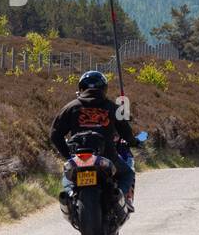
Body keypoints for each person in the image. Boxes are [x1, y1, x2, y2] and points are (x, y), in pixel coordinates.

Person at [50, 70, 139, 212]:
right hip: (107, 156)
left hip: (78, 157)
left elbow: (55, 134)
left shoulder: (71, 107)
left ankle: (69, 197)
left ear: (81, 88)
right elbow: (126, 132)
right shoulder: (111, 107)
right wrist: (133, 141)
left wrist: (67, 155)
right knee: (128, 173)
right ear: (104, 88)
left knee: (67, 175)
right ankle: (120, 197)